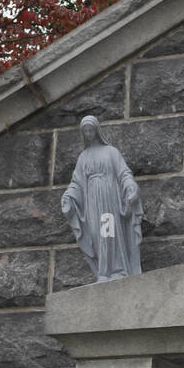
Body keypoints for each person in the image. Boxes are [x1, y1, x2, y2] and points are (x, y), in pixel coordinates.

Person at [61, 116, 143, 281]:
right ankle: (103, 271)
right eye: (86, 131)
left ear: (97, 131)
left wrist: (130, 186)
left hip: (108, 198)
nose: (89, 134)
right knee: (97, 234)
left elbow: (124, 173)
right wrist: (69, 196)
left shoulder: (111, 152)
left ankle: (116, 270)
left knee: (109, 232)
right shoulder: (83, 156)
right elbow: (77, 182)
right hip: (92, 201)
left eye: (91, 130)